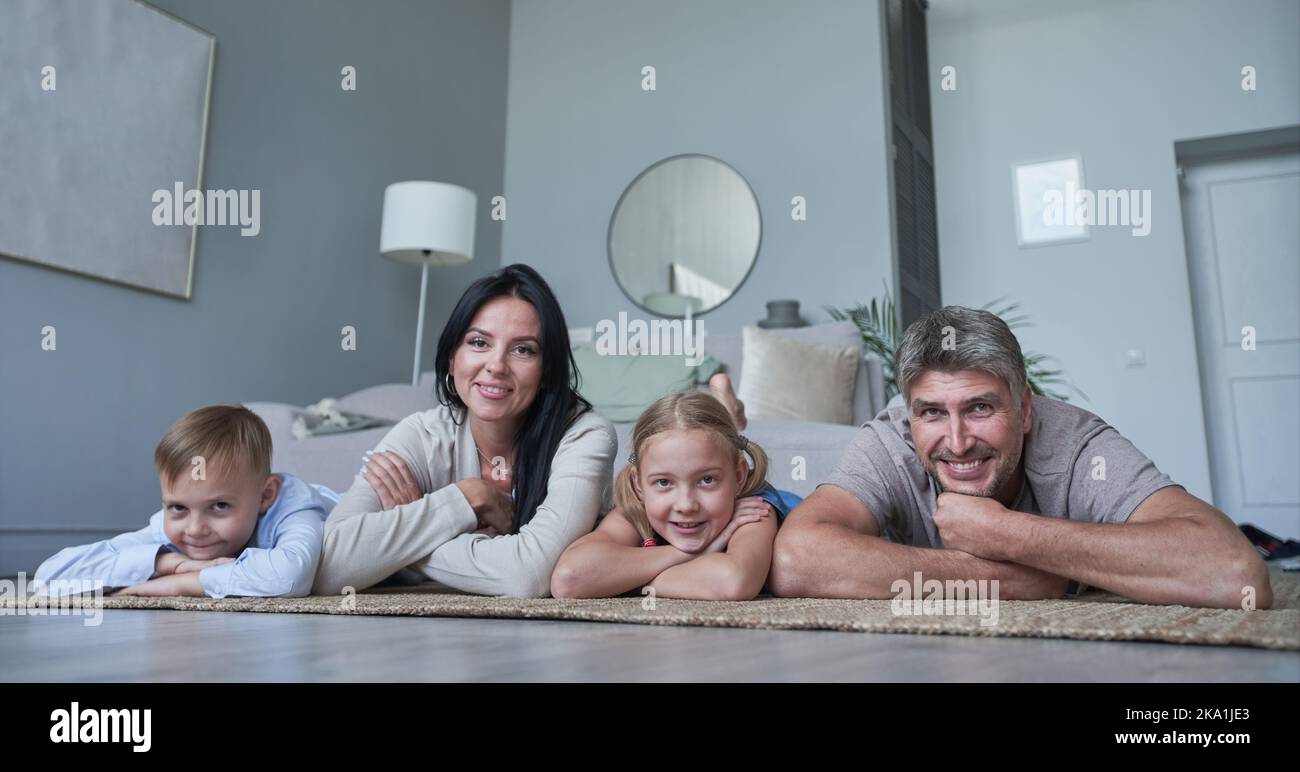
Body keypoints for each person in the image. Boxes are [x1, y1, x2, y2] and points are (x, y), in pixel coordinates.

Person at [771, 306, 1272, 609]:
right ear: (909, 413)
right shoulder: (890, 441)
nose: (958, 440)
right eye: (931, 413)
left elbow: (1233, 570)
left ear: (1025, 408)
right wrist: (1008, 580)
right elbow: (797, 560)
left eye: (981, 408)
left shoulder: (1076, 444)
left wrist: (1007, 533)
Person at [312, 264, 617, 598]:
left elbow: (528, 577)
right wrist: (468, 498)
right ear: (452, 358)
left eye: (522, 350)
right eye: (478, 342)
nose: (497, 366)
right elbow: (328, 566)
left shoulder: (585, 436)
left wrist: (408, 537)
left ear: (546, 371)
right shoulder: (420, 435)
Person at [35, 404, 337, 598]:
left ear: (265, 496)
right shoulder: (171, 530)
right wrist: (170, 563)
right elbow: (49, 578)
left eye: (219, 506)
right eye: (177, 507)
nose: (194, 529)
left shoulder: (293, 506)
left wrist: (183, 584)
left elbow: (289, 578)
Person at [551, 391, 800, 600]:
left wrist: (622, 581)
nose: (686, 505)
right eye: (663, 482)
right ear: (639, 484)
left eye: (707, 480)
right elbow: (569, 578)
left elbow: (732, 582)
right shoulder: (640, 505)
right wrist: (694, 554)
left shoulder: (754, 507)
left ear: (738, 477)